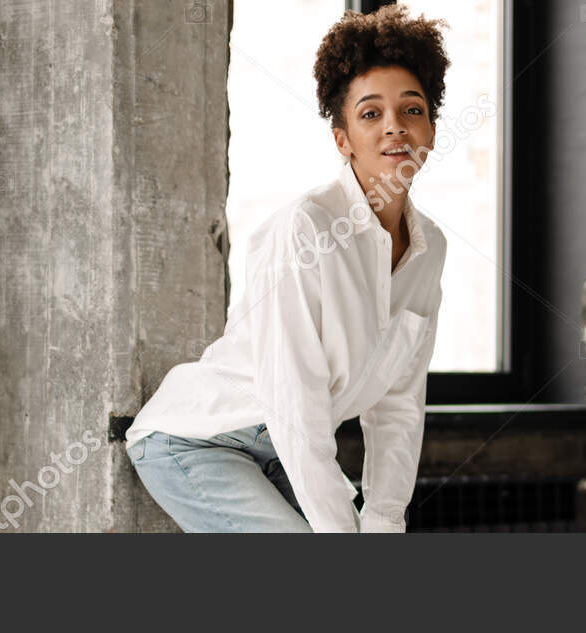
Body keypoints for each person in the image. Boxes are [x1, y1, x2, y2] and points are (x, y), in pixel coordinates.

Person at [124, 4, 451, 533]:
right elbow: (295, 402)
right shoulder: (306, 229)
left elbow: (399, 404)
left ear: (431, 130)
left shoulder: (430, 246)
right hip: (200, 438)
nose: (395, 127)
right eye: (371, 114)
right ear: (343, 140)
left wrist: (385, 520)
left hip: (284, 450)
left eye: (411, 110)